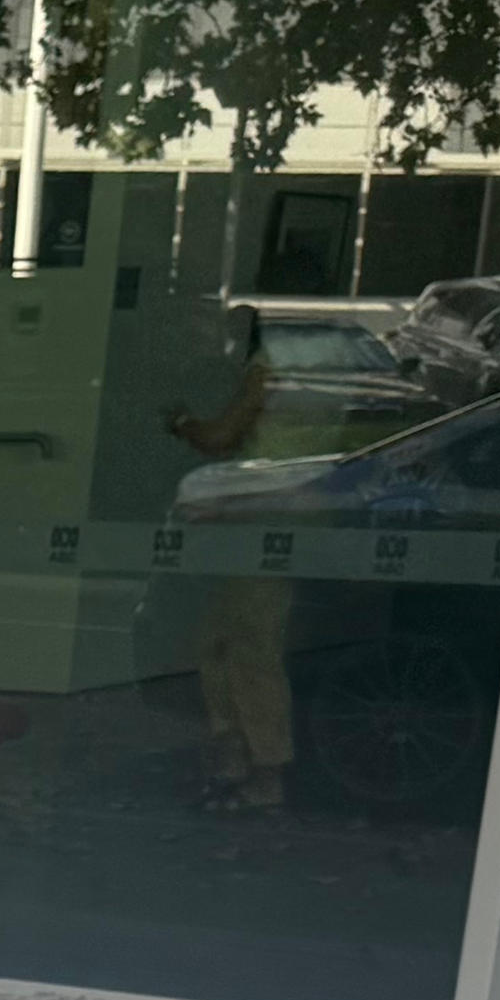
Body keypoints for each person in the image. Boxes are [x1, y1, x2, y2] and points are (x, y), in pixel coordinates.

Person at [166, 306, 294, 814]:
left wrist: (180, 422)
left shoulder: (265, 374)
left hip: (261, 517)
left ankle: (263, 773)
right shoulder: (300, 374)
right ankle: (235, 759)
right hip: (262, 516)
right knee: (222, 644)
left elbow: (222, 436)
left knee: (249, 651)